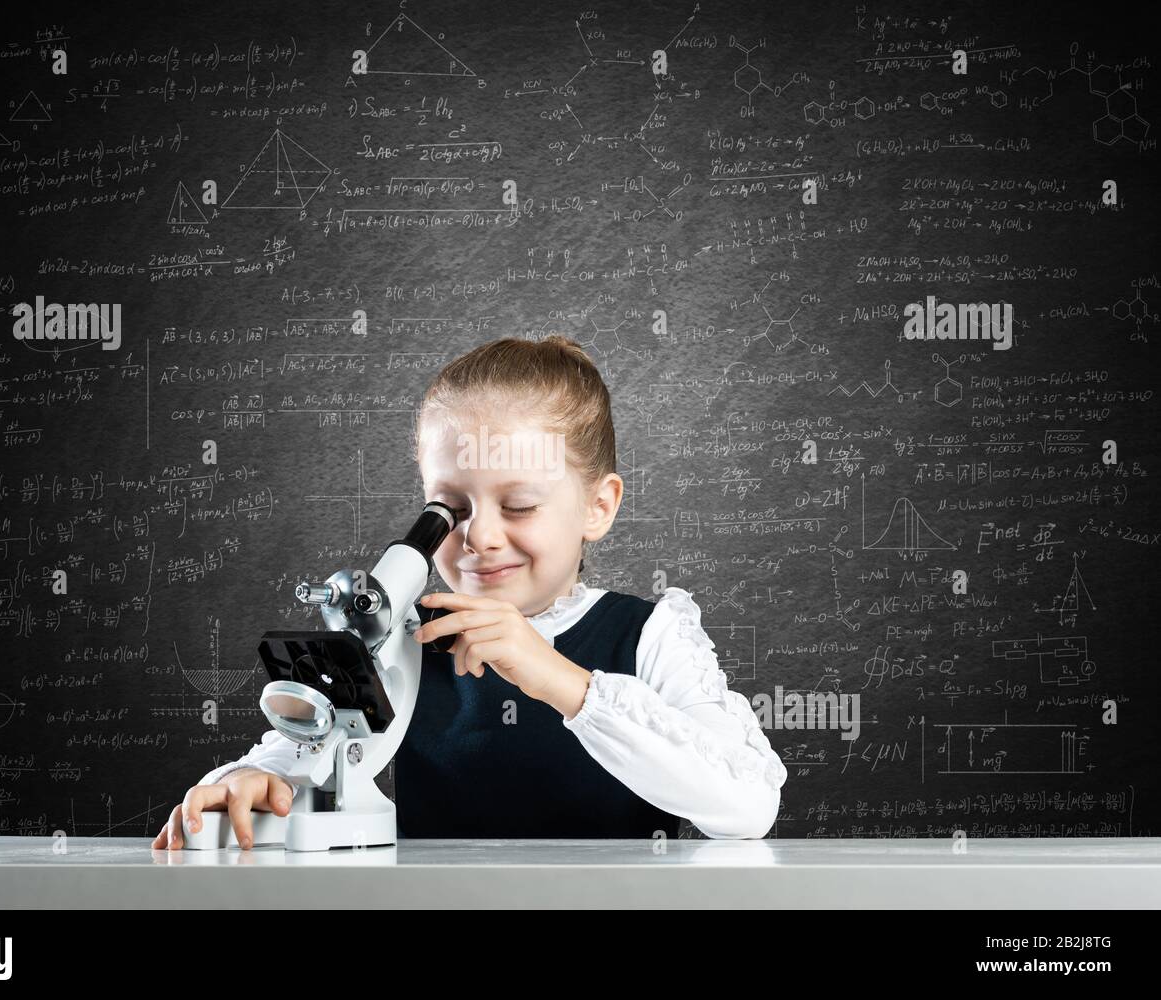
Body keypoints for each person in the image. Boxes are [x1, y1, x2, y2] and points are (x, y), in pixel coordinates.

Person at [153, 335, 786, 849]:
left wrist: (560, 681)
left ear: (598, 506)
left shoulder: (650, 637)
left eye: (518, 505)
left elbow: (747, 804)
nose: (479, 534)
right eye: (448, 507)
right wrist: (252, 781)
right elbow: (302, 754)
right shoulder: (405, 640)